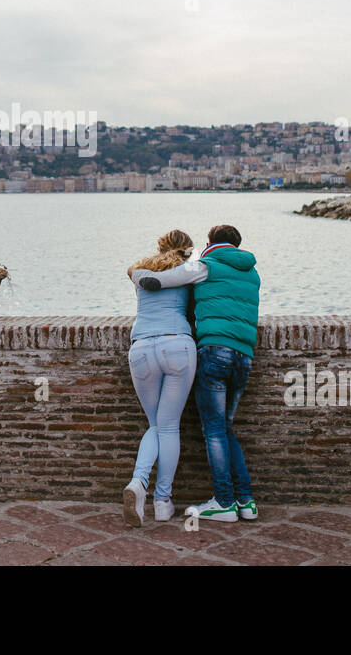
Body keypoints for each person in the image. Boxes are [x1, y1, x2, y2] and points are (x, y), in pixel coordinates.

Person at [132, 224, 260, 523]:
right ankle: (246, 501)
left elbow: (157, 282)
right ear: (238, 245)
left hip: (213, 352)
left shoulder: (205, 266)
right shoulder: (253, 273)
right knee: (227, 427)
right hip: (244, 355)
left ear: (209, 243)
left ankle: (224, 502)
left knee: (211, 429)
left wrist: (136, 273)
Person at [121, 229, 198, 527]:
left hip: (141, 349)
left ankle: (139, 482)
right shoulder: (188, 271)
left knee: (155, 425)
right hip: (176, 345)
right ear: (187, 250)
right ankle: (162, 501)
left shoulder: (140, 270)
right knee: (168, 427)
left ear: (160, 246)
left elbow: (132, 272)